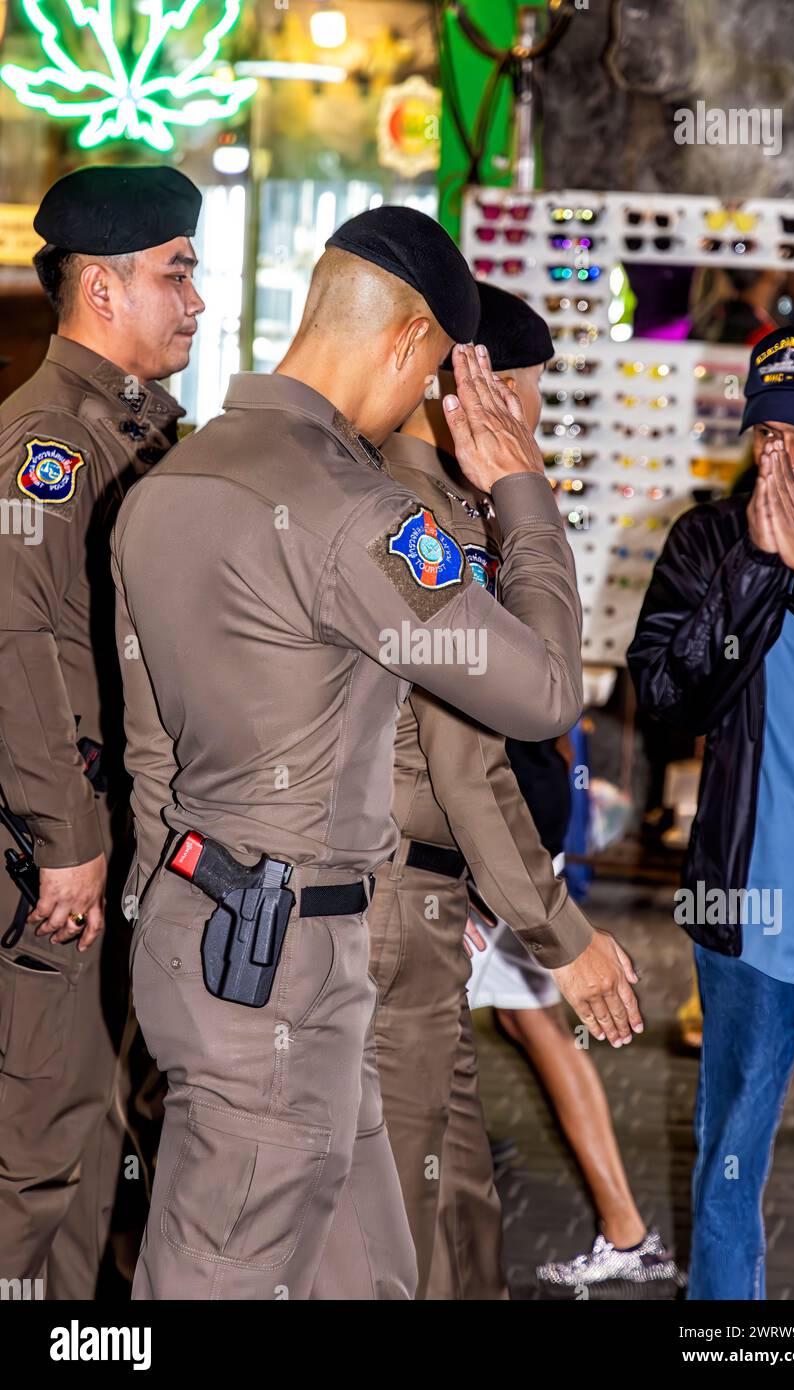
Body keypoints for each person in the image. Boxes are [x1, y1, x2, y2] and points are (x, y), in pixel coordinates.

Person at [111, 206, 623, 1301]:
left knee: (371, 1270)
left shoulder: (171, 482)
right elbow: (538, 691)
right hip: (287, 960)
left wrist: (179, 917)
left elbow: (151, 753)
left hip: (209, 931)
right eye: (435, 369)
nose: (427, 402)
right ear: (406, 341)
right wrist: (518, 489)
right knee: (218, 1276)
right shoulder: (357, 512)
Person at [368, 280, 644, 1300]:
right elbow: (521, 711)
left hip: (459, 882)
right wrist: (544, 921)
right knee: (410, 1187)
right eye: (524, 387)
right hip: (432, 884)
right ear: (477, 385)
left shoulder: (455, 505)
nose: (529, 416)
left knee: (449, 1184)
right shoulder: (434, 520)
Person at [628, 324, 794, 1300]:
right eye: (768, 434)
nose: (789, 459)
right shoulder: (708, 540)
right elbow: (667, 701)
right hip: (748, 917)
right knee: (728, 1161)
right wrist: (761, 571)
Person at [0, 164, 203, 1298]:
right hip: (57, 853)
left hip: (127, 844)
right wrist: (67, 834)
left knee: (103, 1138)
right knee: (44, 1152)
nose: (196, 298)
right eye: (176, 273)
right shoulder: (48, 439)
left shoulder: (140, 427)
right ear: (102, 287)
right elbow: (17, 646)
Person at [456, 731, 678, 1291]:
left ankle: (443, 1257)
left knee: (423, 1046)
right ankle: (627, 1233)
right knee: (530, 1022)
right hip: (527, 832)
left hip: (487, 849)